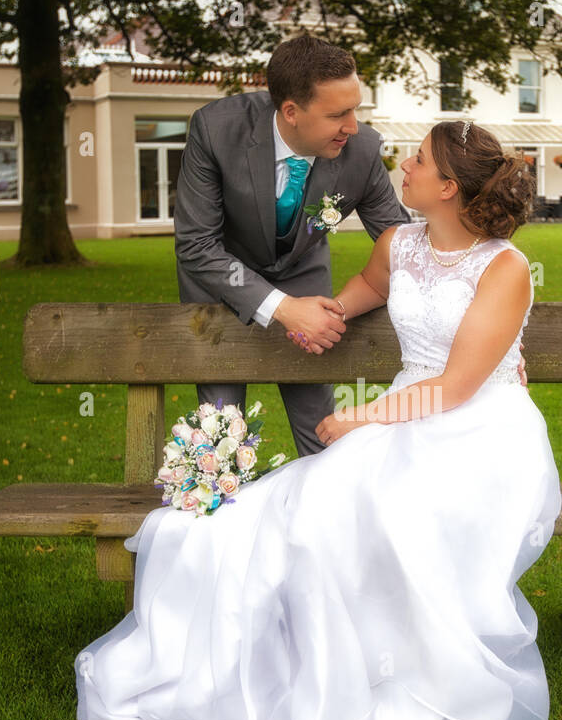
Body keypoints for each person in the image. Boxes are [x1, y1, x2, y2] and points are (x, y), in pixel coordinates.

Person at [75, 118, 561, 720]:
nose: (403, 167)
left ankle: (410, 686)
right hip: (405, 418)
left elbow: (454, 388)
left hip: (476, 430)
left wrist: (361, 418)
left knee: (391, 514)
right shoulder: (399, 242)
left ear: (448, 186)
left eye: (418, 161)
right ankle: (318, 669)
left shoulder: (504, 268)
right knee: (305, 513)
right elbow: (368, 291)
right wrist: (318, 316)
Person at [173, 34, 412, 458]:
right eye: (338, 114)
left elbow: (404, 249)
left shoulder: (360, 151)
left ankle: (322, 518)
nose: (353, 126)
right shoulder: (216, 130)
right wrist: (281, 308)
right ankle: (222, 519)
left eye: (355, 108)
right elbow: (196, 244)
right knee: (219, 440)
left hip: (307, 286)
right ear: (290, 112)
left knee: (322, 441)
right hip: (220, 289)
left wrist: (476, 313)